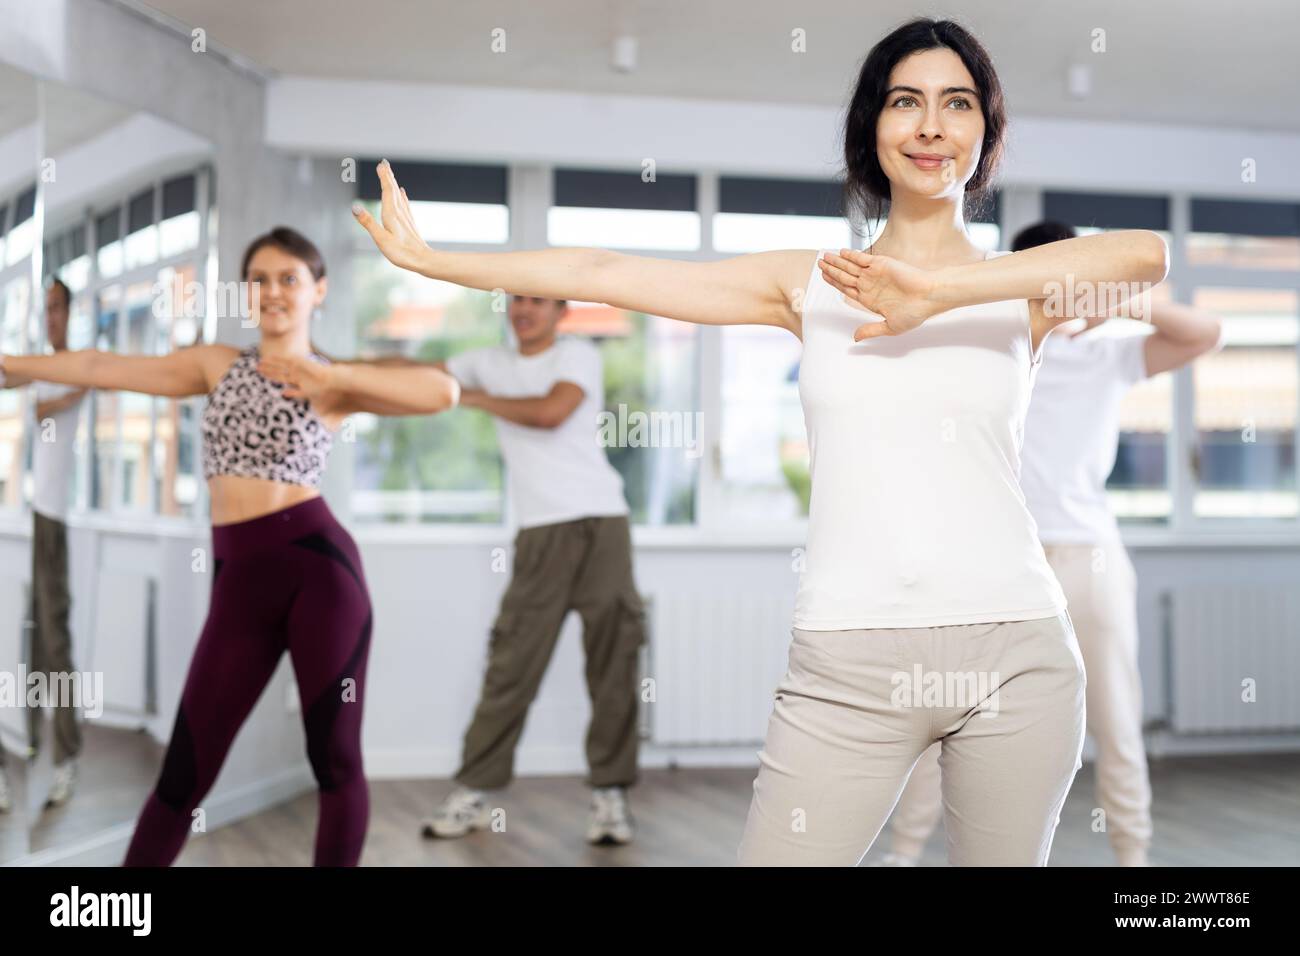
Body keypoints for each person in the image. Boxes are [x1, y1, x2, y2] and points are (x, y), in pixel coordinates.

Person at [353, 16, 1167, 865]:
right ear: (871, 129)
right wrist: (439, 263)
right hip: (846, 661)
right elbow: (602, 273)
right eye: (905, 101)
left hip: (1018, 653)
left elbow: (1146, 259)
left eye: (957, 103)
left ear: (985, 133)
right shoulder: (808, 284)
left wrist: (939, 292)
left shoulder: (1021, 292)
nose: (931, 125)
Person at [0, 226, 460, 866]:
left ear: (317, 290)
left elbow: (443, 391)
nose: (273, 292)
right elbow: (103, 367)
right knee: (184, 774)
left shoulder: (335, 380)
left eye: (289, 279)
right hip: (240, 583)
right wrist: (12, 366)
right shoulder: (216, 364)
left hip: (319, 574)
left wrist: (337, 377)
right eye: (261, 280)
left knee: (334, 758)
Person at [877, 221, 1223, 867]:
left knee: (1116, 717)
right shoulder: (990, 349)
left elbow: (1205, 334)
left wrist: (1114, 299)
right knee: (946, 712)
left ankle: (1132, 861)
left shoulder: (1106, 355)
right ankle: (903, 853)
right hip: (996, 563)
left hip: (1088, 560)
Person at [411, 294, 646, 846]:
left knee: (613, 664)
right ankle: (473, 791)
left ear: (560, 309)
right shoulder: (488, 362)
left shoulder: (577, 355)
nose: (524, 309)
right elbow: (411, 373)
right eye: (516, 298)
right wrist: (331, 365)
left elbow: (548, 412)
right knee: (511, 666)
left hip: (601, 524)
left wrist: (463, 396)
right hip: (540, 533)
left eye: (537, 300)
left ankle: (610, 797)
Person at [0, 277, 89, 809]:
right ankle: (30, 742)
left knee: (55, 643)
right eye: (46, 309)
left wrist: (27, 372)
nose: (50, 316)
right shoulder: (41, 370)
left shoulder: (73, 366)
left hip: (53, 521)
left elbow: (43, 405)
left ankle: (68, 758)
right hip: (29, 519)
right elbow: (14, 383)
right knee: (31, 643)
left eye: (58, 308)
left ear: (70, 313)